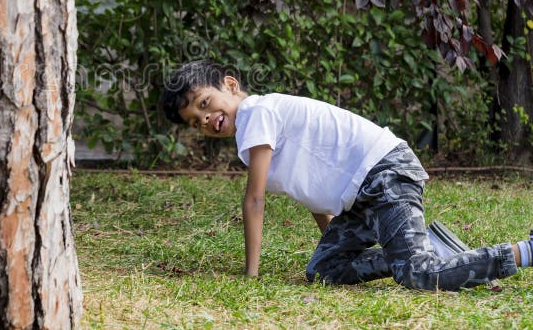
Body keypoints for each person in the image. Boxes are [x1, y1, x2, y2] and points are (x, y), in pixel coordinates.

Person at [159, 60, 532, 291]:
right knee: (323, 269)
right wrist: (335, 243)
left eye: (205, 104)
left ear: (230, 85)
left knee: (417, 274)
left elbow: (254, 201)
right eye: (196, 121)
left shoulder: (257, 114)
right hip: (364, 193)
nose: (206, 119)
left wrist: (251, 276)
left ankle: (524, 250)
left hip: (385, 172)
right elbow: (310, 188)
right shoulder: (253, 134)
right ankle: (426, 246)